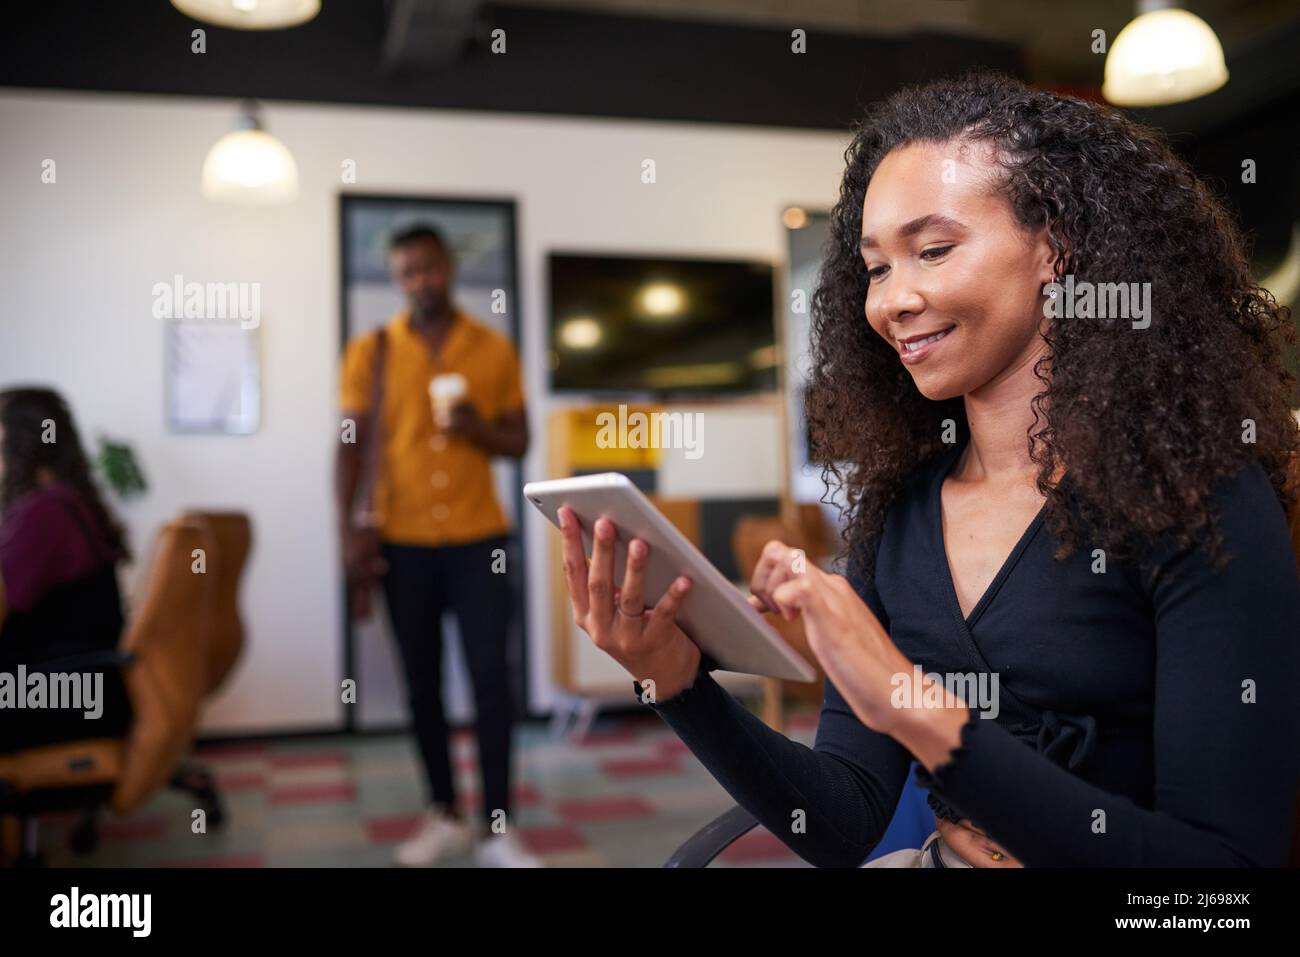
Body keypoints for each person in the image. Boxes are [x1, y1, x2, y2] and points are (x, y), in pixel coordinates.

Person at [557, 69, 1300, 867]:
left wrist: (917, 708)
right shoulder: (902, 513)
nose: (892, 300)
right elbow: (843, 822)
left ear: (1057, 247)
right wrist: (678, 683)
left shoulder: (1196, 499)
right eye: (876, 268)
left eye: (934, 250)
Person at [336, 224, 538, 867]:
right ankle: (444, 814)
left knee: (491, 682)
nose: (420, 281)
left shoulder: (491, 349)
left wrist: (477, 426)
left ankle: (498, 828)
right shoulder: (372, 351)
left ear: (448, 268)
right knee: (420, 684)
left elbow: (519, 442)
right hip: (404, 540)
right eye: (407, 273)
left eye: (429, 268)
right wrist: (346, 530)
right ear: (399, 280)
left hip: (480, 540)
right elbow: (350, 442)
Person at [0, 387, 132, 754]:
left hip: (62, 693)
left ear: (18, 442)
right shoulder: (67, 501)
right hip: (87, 690)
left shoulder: (44, 513)